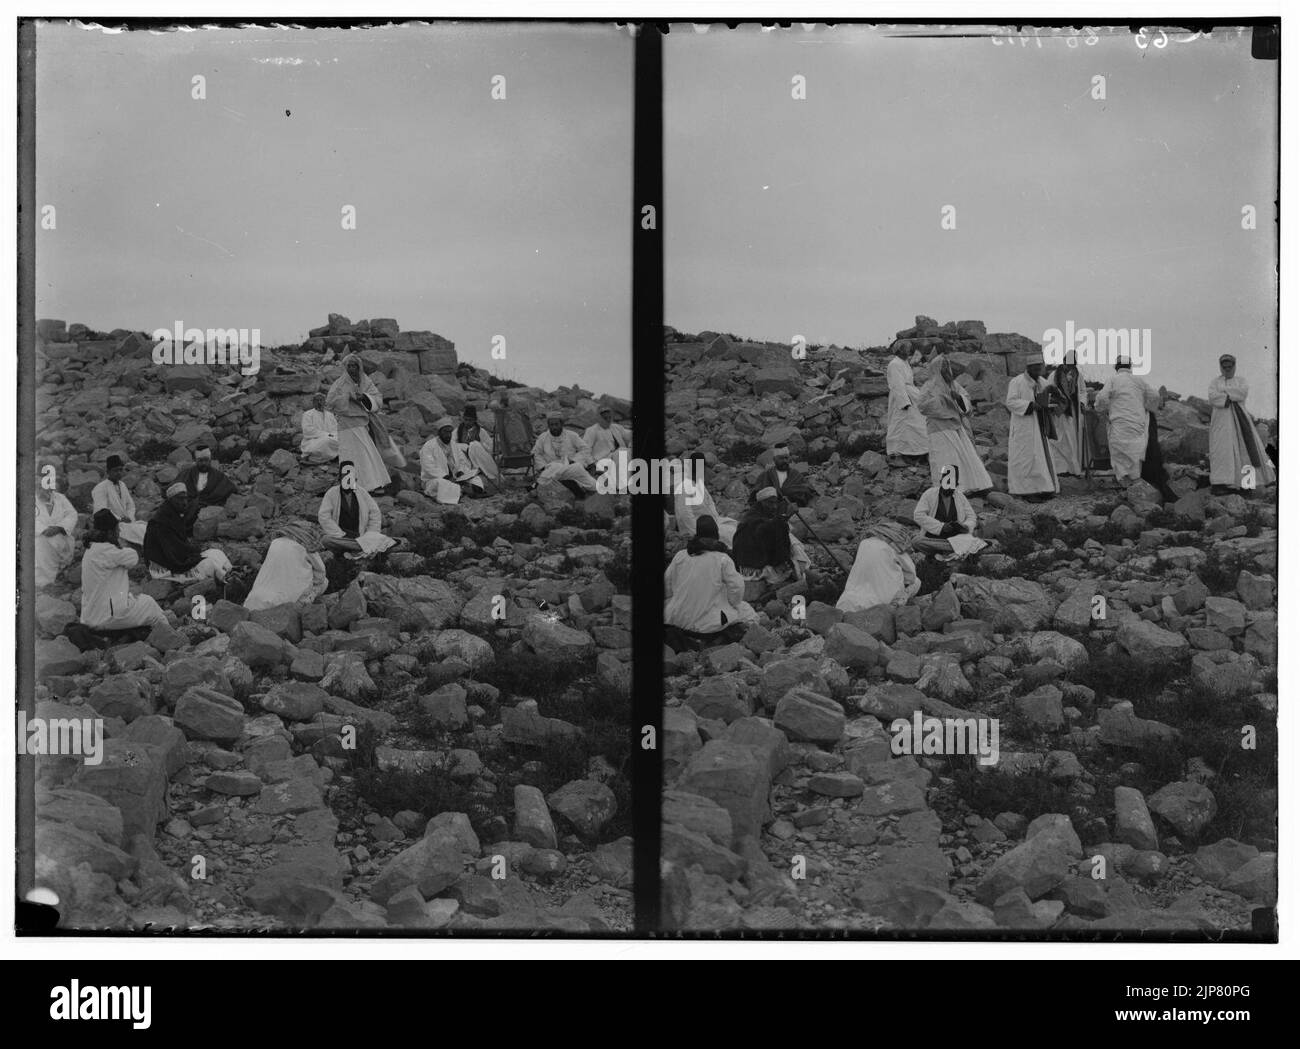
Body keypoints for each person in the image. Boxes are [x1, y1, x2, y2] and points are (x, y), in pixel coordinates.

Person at [664, 515, 758, 637]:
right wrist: (732, 604)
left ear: (697, 534)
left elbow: (667, 587)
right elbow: (737, 588)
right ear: (716, 535)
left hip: (678, 619)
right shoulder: (722, 559)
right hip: (707, 625)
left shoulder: (680, 556)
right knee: (750, 614)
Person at [79, 509, 168, 631]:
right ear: (111, 532)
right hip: (106, 617)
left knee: (135, 599)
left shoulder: (91, 550)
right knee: (149, 603)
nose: (119, 531)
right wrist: (121, 544)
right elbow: (133, 558)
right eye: (117, 528)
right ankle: (171, 638)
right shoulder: (109, 550)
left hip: (88, 616)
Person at [915, 355, 993, 494]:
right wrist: (942, 400)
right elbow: (921, 405)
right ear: (937, 369)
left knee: (963, 457)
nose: (947, 369)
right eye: (943, 366)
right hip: (938, 428)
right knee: (945, 458)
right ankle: (948, 490)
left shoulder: (954, 385)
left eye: (947, 366)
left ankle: (966, 487)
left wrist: (958, 398)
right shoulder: (929, 386)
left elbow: (966, 399)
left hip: (956, 426)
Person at [1209, 353, 1276, 494]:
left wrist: (1224, 392)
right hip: (1221, 422)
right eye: (1224, 366)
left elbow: (1242, 393)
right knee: (1222, 451)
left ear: (1234, 366)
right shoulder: (1215, 382)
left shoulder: (1241, 380)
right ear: (1221, 367)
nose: (1227, 369)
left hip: (1240, 422)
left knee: (1244, 450)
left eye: (1230, 366)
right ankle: (1222, 483)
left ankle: (1244, 484)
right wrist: (1229, 395)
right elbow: (1213, 397)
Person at [326, 353, 392, 493]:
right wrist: (347, 397)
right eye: (349, 366)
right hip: (346, 424)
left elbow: (378, 399)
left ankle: (371, 485)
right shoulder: (339, 383)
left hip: (362, 423)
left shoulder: (365, 381)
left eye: (354, 366)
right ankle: (350, 486)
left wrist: (364, 398)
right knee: (348, 454)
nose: (352, 369)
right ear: (345, 367)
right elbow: (330, 402)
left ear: (359, 367)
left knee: (365, 453)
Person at [142, 483, 232, 582]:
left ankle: (227, 574)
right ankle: (226, 579)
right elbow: (172, 554)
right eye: (180, 499)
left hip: (179, 558)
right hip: (165, 569)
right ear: (171, 500)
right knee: (209, 563)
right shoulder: (160, 523)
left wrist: (194, 552)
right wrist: (194, 554)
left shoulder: (174, 515)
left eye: (185, 499)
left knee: (217, 553)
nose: (185, 502)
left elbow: (180, 545)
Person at [1004, 351, 1060, 502]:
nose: (1037, 370)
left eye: (1039, 367)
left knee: (1040, 458)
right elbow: (1010, 402)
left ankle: (1044, 489)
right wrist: (1031, 405)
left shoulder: (1043, 382)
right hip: (1024, 427)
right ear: (1028, 367)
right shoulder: (1017, 382)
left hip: (1040, 425)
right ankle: (1025, 491)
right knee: (1025, 459)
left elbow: (1053, 395)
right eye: (1034, 367)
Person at [1095, 357, 1160, 485]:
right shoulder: (1139, 381)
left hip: (1119, 423)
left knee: (1120, 453)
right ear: (1130, 366)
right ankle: (1135, 483)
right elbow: (1155, 396)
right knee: (1135, 452)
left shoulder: (1113, 380)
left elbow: (1102, 397)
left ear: (1116, 367)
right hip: (1137, 423)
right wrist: (1145, 407)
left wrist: (1101, 408)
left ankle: (1123, 483)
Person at [318, 461, 399, 557]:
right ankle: (367, 547)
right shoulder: (332, 493)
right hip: (341, 537)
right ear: (340, 479)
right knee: (326, 540)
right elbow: (324, 516)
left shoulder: (362, 492)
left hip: (361, 536)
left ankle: (355, 547)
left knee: (372, 539)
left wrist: (371, 533)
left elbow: (375, 513)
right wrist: (339, 534)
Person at [836, 521, 921, 613]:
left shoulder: (864, 543)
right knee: (916, 582)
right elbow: (911, 577)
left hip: (848, 601)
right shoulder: (895, 546)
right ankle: (895, 606)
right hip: (882, 602)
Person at [244, 521, 328, 610]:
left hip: (255, 601)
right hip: (287, 603)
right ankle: (305, 603)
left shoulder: (275, 542)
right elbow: (321, 574)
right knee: (324, 582)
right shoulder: (306, 544)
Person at [732, 487, 806, 584]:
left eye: (775, 503)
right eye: (770, 503)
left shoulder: (765, 516)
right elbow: (765, 531)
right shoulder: (750, 519)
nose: (774, 507)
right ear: (761, 503)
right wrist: (785, 517)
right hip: (752, 567)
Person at [913, 465, 988, 559]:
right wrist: (941, 527)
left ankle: (941, 553)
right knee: (917, 541)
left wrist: (966, 526)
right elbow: (918, 515)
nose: (949, 488)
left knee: (968, 540)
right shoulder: (929, 494)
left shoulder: (960, 497)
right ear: (941, 482)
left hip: (956, 539)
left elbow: (971, 517)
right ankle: (953, 551)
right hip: (933, 538)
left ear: (956, 485)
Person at [672, 452, 738, 547]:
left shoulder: (699, 483)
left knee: (736, 526)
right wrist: (697, 533)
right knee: (730, 537)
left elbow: (710, 503)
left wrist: (715, 519)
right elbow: (684, 514)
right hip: (697, 530)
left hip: (712, 523)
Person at [532, 410, 598, 496]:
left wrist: (574, 460)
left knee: (577, 468)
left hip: (569, 468)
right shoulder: (543, 437)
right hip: (550, 467)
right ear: (548, 426)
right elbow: (535, 453)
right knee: (557, 466)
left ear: (562, 424)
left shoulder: (572, 435)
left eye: (556, 424)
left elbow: (585, 449)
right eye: (552, 425)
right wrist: (542, 467)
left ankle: (538, 485)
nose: (554, 427)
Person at [421, 417, 485, 503]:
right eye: (445, 432)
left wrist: (460, 472)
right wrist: (445, 476)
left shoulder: (453, 444)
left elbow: (462, 461)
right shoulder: (429, 446)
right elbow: (428, 467)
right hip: (434, 479)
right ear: (439, 432)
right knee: (442, 483)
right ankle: (461, 492)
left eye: (450, 432)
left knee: (475, 478)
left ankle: (465, 490)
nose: (448, 435)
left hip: (455, 478)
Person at [1047, 350, 1090, 478]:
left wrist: (1082, 402)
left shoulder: (1078, 375)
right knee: (1059, 439)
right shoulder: (1054, 375)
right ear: (1064, 361)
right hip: (1059, 412)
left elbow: (1082, 391)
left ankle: (1072, 468)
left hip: (1073, 412)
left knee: (1072, 439)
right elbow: (1049, 390)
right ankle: (1060, 469)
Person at [886, 342, 930, 463]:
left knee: (917, 422)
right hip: (902, 398)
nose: (909, 352)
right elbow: (897, 385)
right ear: (900, 351)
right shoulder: (894, 364)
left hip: (911, 394)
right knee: (900, 423)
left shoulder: (904, 363)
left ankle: (915, 451)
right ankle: (897, 452)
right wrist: (904, 402)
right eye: (907, 349)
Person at [91, 455, 148, 545]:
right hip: (111, 527)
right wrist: (119, 519)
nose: (119, 473)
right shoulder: (100, 488)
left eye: (120, 470)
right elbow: (101, 511)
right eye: (115, 470)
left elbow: (130, 505)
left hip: (126, 522)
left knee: (146, 528)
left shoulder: (122, 485)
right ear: (108, 472)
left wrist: (129, 517)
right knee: (141, 532)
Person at [34, 472, 79, 587]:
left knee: (58, 545)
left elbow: (72, 514)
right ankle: (44, 581)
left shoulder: (60, 498)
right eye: (39, 486)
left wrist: (59, 527)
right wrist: (44, 530)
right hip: (41, 538)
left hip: (61, 537)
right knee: (40, 544)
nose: (42, 489)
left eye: (44, 486)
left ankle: (58, 572)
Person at [748, 441, 815, 511]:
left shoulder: (795, 474)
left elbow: (807, 489)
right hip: (770, 511)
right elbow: (756, 495)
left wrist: (790, 492)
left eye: (786, 458)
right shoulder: (765, 475)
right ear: (774, 459)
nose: (785, 461)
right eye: (781, 458)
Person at [456, 406, 499, 485]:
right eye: (466, 420)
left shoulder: (481, 431)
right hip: (464, 457)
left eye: (470, 420)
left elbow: (490, 448)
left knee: (474, 445)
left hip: (478, 457)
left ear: (474, 420)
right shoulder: (459, 430)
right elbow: (452, 444)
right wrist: (465, 447)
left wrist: (476, 446)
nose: (467, 422)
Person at [300, 392, 339, 464]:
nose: (319, 402)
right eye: (317, 400)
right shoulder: (307, 414)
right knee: (325, 441)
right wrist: (326, 435)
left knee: (342, 439)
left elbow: (335, 429)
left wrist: (332, 435)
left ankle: (330, 457)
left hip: (331, 438)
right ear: (313, 402)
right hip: (313, 440)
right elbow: (307, 431)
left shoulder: (330, 415)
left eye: (321, 400)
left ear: (325, 402)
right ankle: (315, 458)